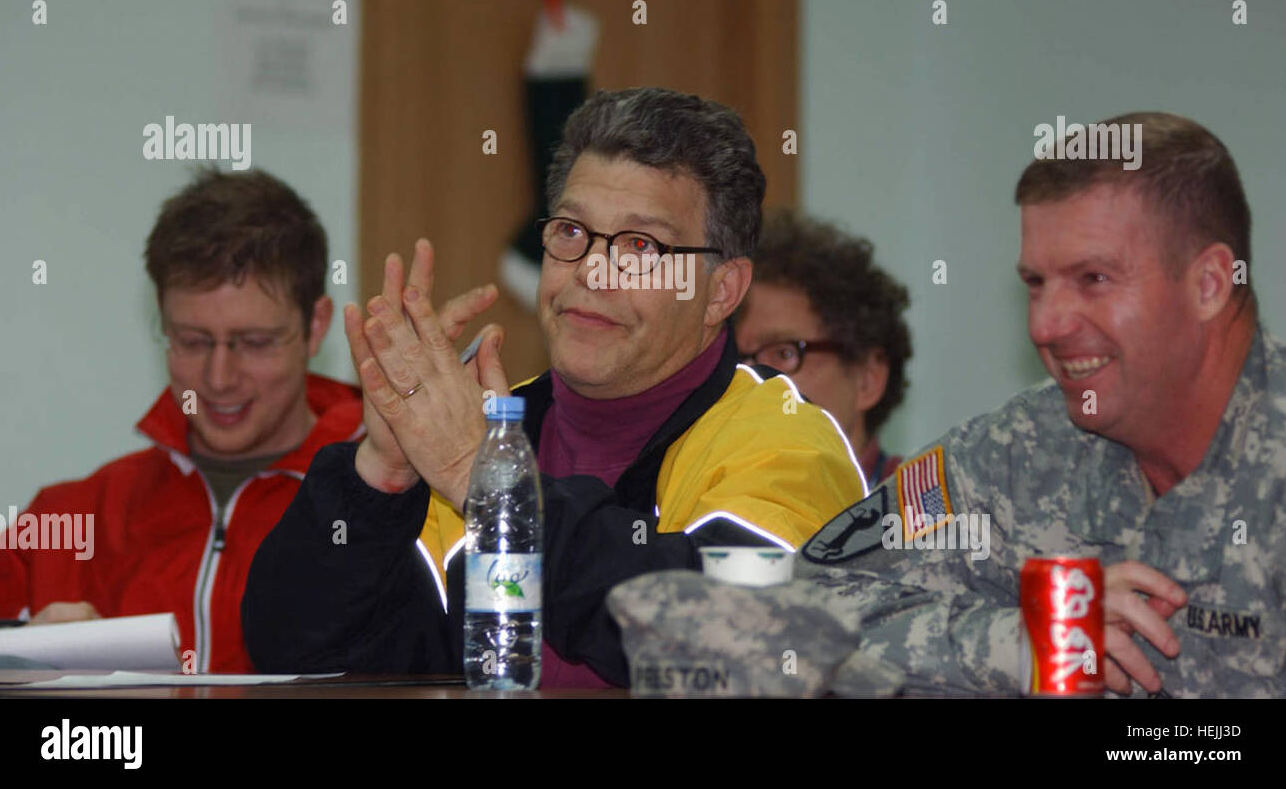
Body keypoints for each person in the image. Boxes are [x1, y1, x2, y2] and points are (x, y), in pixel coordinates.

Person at [608, 111, 1286, 698]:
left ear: (1207, 284)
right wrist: (1025, 641)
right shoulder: (1026, 450)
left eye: (1093, 279)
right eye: (1035, 283)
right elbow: (805, 600)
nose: (1047, 324)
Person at [242, 87, 868, 687]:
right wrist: (380, 476)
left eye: (640, 245)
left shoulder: (789, 443)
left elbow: (741, 641)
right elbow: (297, 650)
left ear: (721, 292)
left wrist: (481, 477)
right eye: (571, 232)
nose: (592, 272)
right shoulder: (491, 426)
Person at [0, 168, 365, 673]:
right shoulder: (68, 519)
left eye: (253, 343)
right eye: (192, 341)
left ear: (315, 326)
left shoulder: (388, 507)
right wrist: (16, 659)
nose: (219, 377)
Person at [735, 209, 911, 483]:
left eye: (784, 353)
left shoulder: (921, 515)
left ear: (868, 379)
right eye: (734, 358)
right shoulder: (699, 507)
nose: (747, 377)